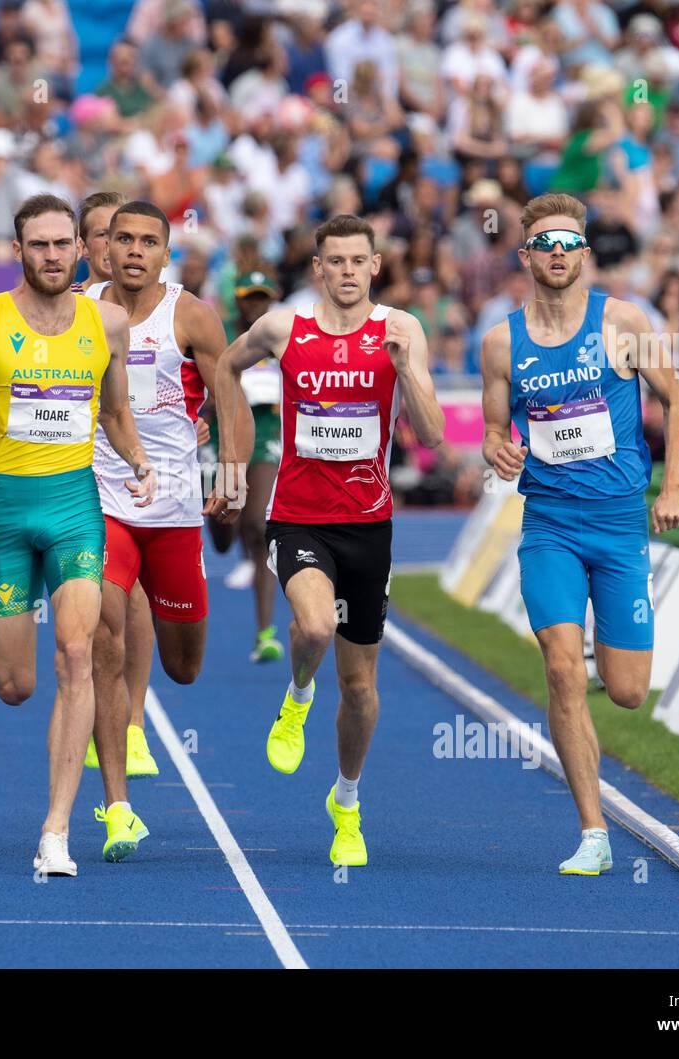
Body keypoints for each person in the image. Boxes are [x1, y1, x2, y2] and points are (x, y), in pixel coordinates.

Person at [0, 194, 156, 876]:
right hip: (3, 515)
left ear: (83, 248)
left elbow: (113, 412)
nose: (51, 256)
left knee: (77, 654)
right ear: (18, 250)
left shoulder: (107, 323)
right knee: (16, 683)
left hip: (76, 506)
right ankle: (57, 785)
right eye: (37, 245)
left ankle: (57, 831)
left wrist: (138, 461)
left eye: (61, 244)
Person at [215, 214, 446, 867]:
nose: (346, 270)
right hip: (298, 515)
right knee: (313, 628)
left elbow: (431, 436)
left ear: (375, 266)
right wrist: (231, 459)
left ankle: (345, 802)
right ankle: (296, 697)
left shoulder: (401, 330)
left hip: (368, 524)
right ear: (317, 268)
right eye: (334, 260)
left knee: (363, 688)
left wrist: (406, 371)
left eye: (357, 260)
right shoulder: (282, 328)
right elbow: (224, 371)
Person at [479, 193, 679, 875]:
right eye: (545, 243)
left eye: (569, 242)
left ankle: (601, 658)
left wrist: (676, 487)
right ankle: (593, 831)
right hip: (550, 527)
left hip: (620, 523)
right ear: (526, 255)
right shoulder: (501, 341)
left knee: (626, 689)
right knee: (563, 669)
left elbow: (677, 399)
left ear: (585, 252)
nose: (558, 254)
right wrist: (497, 447)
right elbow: (491, 427)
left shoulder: (623, 322)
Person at [84, 200, 245, 860]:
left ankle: (137, 726)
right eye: (123, 238)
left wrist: (231, 471)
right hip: (102, 501)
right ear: (107, 246)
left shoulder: (192, 315)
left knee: (184, 666)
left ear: (165, 252)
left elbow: (230, 395)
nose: (134, 250)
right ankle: (117, 806)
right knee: (102, 630)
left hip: (175, 510)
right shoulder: (80, 310)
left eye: (149, 241)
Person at [72, 190, 163, 781]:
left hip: (143, 471)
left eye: (125, 235)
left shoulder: (162, 308)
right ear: (86, 246)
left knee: (131, 598)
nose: (116, 247)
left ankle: (131, 722)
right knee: (97, 610)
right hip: (76, 471)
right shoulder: (69, 305)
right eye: (104, 235)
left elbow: (198, 374)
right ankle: (106, 713)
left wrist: (200, 412)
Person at [202, 270, 286, 662]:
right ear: (237, 300)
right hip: (224, 434)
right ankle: (218, 521)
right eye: (249, 298)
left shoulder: (283, 341)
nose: (256, 305)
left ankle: (265, 632)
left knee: (258, 526)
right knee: (222, 535)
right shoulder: (220, 339)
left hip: (266, 430)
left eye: (262, 297)